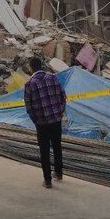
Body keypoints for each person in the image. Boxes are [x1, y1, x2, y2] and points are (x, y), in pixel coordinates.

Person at [24, 56, 66, 188]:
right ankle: (59, 173)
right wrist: (59, 112)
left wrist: (36, 120)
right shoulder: (53, 78)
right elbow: (63, 96)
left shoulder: (29, 84)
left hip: (42, 123)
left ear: (31, 68)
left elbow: (29, 107)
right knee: (57, 146)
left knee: (44, 150)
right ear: (41, 65)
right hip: (56, 120)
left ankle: (47, 180)